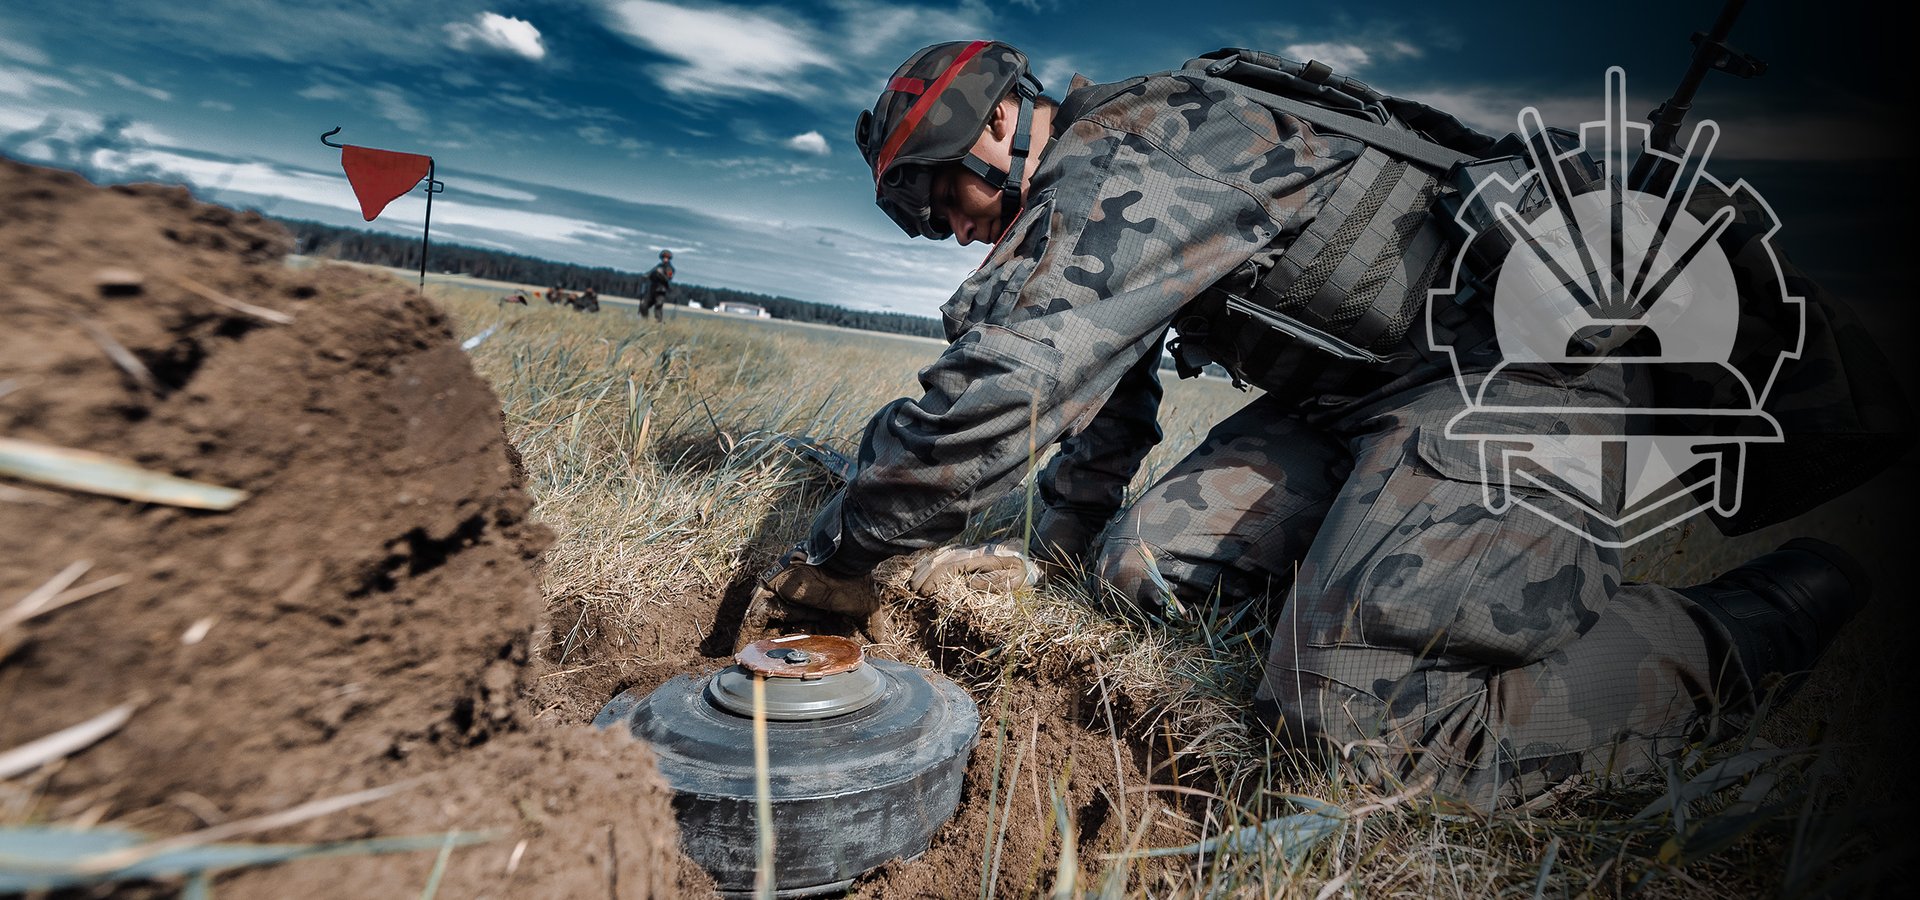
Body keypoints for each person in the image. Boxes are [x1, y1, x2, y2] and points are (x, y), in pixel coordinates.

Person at [754, 41, 1909, 810]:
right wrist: (1062, 543)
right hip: (1363, 405)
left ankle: (1721, 640)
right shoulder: (1123, 164)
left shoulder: (1128, 151)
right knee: (1143, 568)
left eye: (934, 196)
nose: (946, 230)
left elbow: (1007, 385)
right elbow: (1109, 385)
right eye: (913, 221)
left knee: (1353, 738)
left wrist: (840, 559)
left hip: (1526, 384)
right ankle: (1385, 591)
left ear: (1002, 120)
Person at [641, 249, 674, 322]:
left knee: (658, 306)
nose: (665, 259)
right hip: (652, 290)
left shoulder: (670, 268)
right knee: (644, 305)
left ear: (669, 259)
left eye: (667, 258)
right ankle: (644, 321)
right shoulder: (658, 266)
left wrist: (661, 274)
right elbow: (650, 272)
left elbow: (668, 278)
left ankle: (658, 323)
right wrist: (646, 275)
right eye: (664, 257)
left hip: (661, 291)